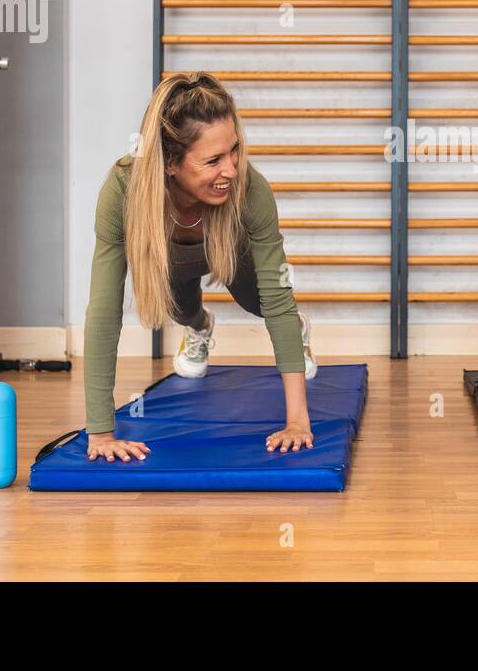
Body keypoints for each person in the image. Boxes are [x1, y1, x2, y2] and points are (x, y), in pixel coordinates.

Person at [81, 72, 316, 463]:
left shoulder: (250, 190)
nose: (232, 169)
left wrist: (297, 421)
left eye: (234, 151)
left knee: (264, 305)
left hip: (230, 251)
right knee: (178, 309)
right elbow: (104, 312)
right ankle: (200, 328)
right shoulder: (122, 192)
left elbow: (277, 296)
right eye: (213, 160)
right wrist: (100, 433)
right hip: (171, 262)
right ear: (171, 163)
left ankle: (298, 329)